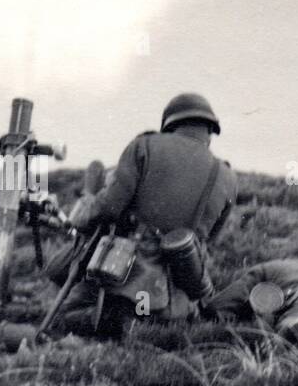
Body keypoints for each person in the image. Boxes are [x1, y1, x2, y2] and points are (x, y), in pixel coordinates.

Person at [57, 93, 239, 338]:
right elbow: (212, 238)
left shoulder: (145, 146)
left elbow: (109, 207)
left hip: (126, 288)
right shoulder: (227, 175)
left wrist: (81, 215)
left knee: (70, 314)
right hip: (181, 300)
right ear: (209, 130)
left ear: (170, 125)